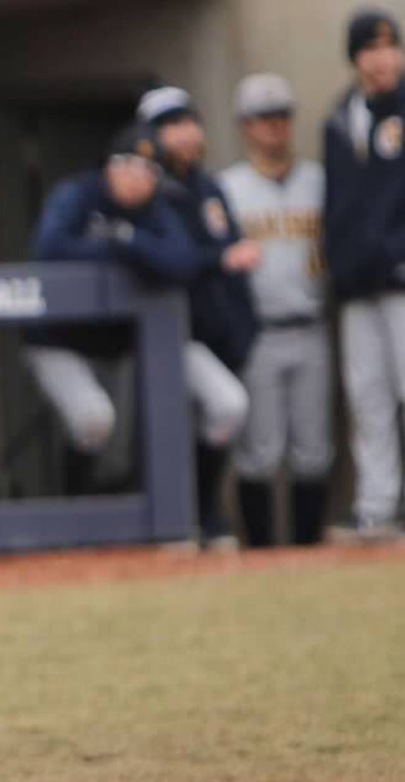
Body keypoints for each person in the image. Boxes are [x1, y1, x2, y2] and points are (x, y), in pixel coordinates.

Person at [25, 125, 245, 510]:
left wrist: (125, 239)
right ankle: (70, 517)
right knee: (94, 421)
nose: (133, 176)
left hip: (126, 343)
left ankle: (197, 513)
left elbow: (183, 262)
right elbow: (50, 249)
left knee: (223, 407)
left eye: (146, 169)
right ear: (107, 167)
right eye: (125, 165)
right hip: (61, 339)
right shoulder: (77, 194)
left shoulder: (158, 207)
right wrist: (125, 253)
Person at [138, 85, 258, 547]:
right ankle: (192, 512)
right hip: (171, 331)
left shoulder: (208, 186)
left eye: (188, 123)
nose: (183, 135)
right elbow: (183, 259)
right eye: (170, 126)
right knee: (223, 406)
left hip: (218, 331)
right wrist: (219, 259)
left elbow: (230, 256)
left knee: (222, 416)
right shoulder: (151, 190)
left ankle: (200, 511)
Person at [218, 75, 334, 547]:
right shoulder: (227, 188)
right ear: (245, 125)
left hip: (312, 324)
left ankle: (308, 550)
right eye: (264, 117)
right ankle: (262, 554)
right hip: (259, 329)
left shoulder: (319, 182)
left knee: (314, 449)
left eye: (282, 115)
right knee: (260, 450)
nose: (275, 126)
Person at [323, 8, 405, 541]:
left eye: (389, 48)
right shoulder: (340, 118)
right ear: (355, 58)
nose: (381, 60)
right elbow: (338, 205)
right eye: (370, 50)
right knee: (368, 398)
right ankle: (376, 505)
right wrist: (343, 264)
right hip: (357, 284)